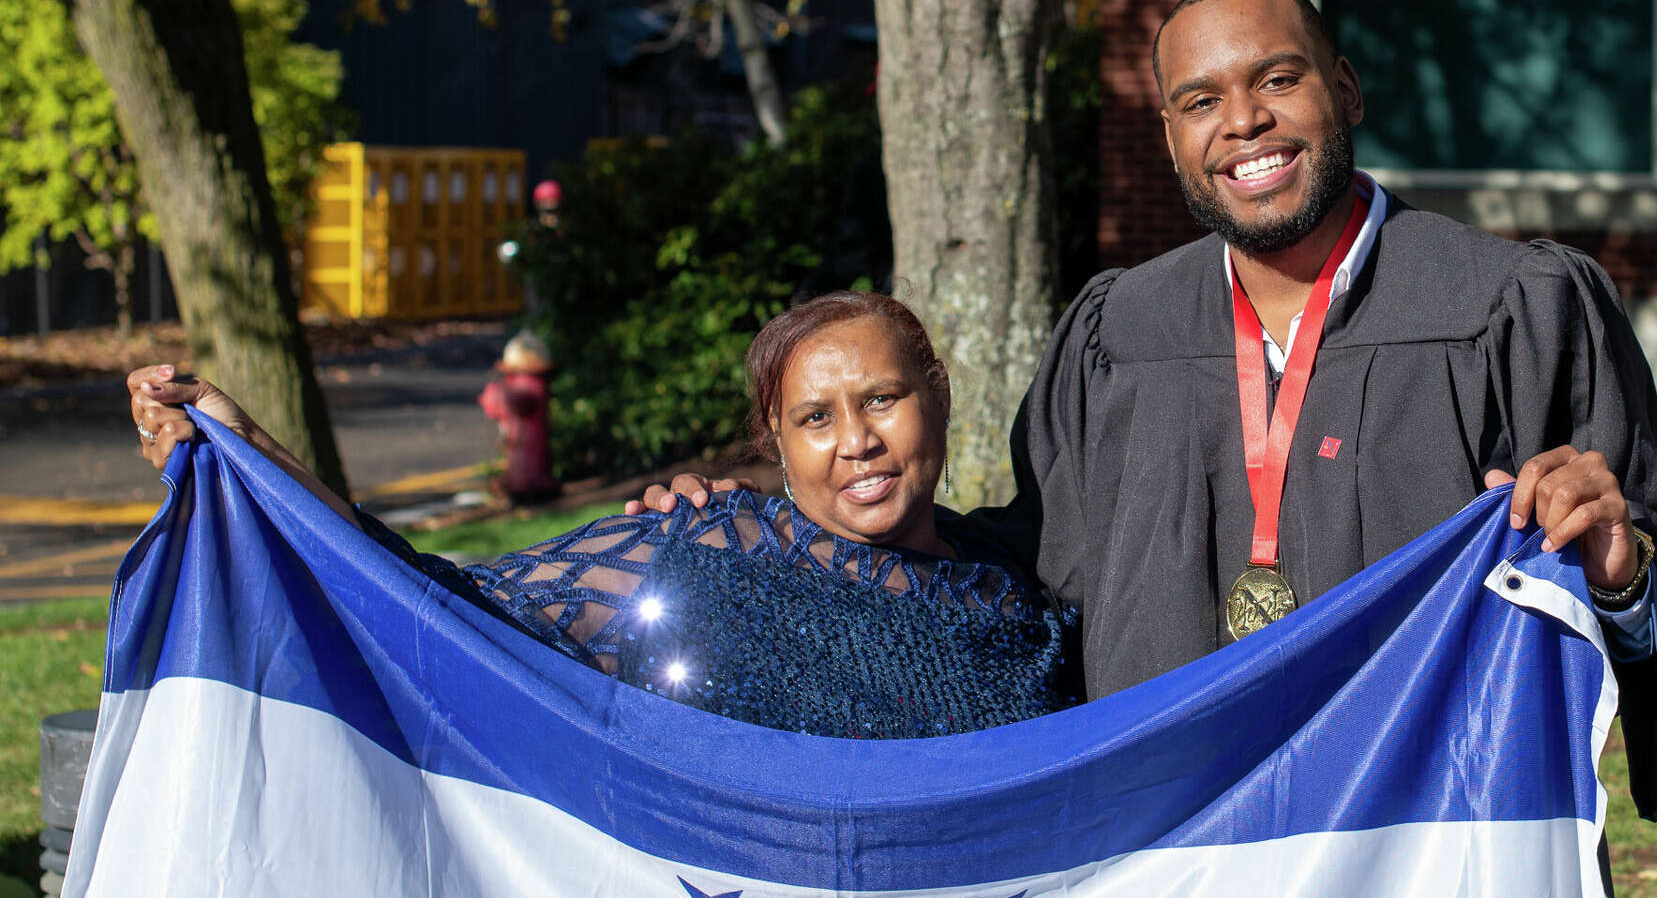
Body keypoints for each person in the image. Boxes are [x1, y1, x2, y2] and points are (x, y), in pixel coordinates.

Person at [640, 0, 1657, 823]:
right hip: (1176, 876)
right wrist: (759, 537)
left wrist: (1621, 570)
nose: (1243, 121)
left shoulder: (1511, 307)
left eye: (1278, 80)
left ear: (1346, 89)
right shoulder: (1118, 336)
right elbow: (1032, 583)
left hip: (1426, 859)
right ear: (1169, 136)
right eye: (1200, 100)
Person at [125, 292, 1076, 740]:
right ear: (777, 445)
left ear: (937, 398)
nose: (857, 441)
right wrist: (248, 449)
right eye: (815, 419)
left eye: (882, 400)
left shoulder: (1019, 563)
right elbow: (430, 603)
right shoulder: (709, 549)